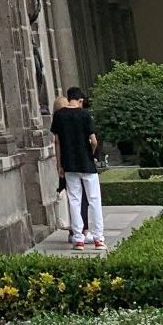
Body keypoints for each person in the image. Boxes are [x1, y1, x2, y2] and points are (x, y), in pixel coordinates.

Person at [50, 86, 104, 250]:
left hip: (69, 164)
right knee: (94, 200)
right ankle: (98, 238)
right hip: (86, 163)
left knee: (74, 200)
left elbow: (57, 142)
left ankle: (78, 238)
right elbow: (93, 141)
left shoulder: (59, 115)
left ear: (68, 98)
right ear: (80, 100)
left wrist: (60, 165)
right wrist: (91, 154)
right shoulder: (85, 115)